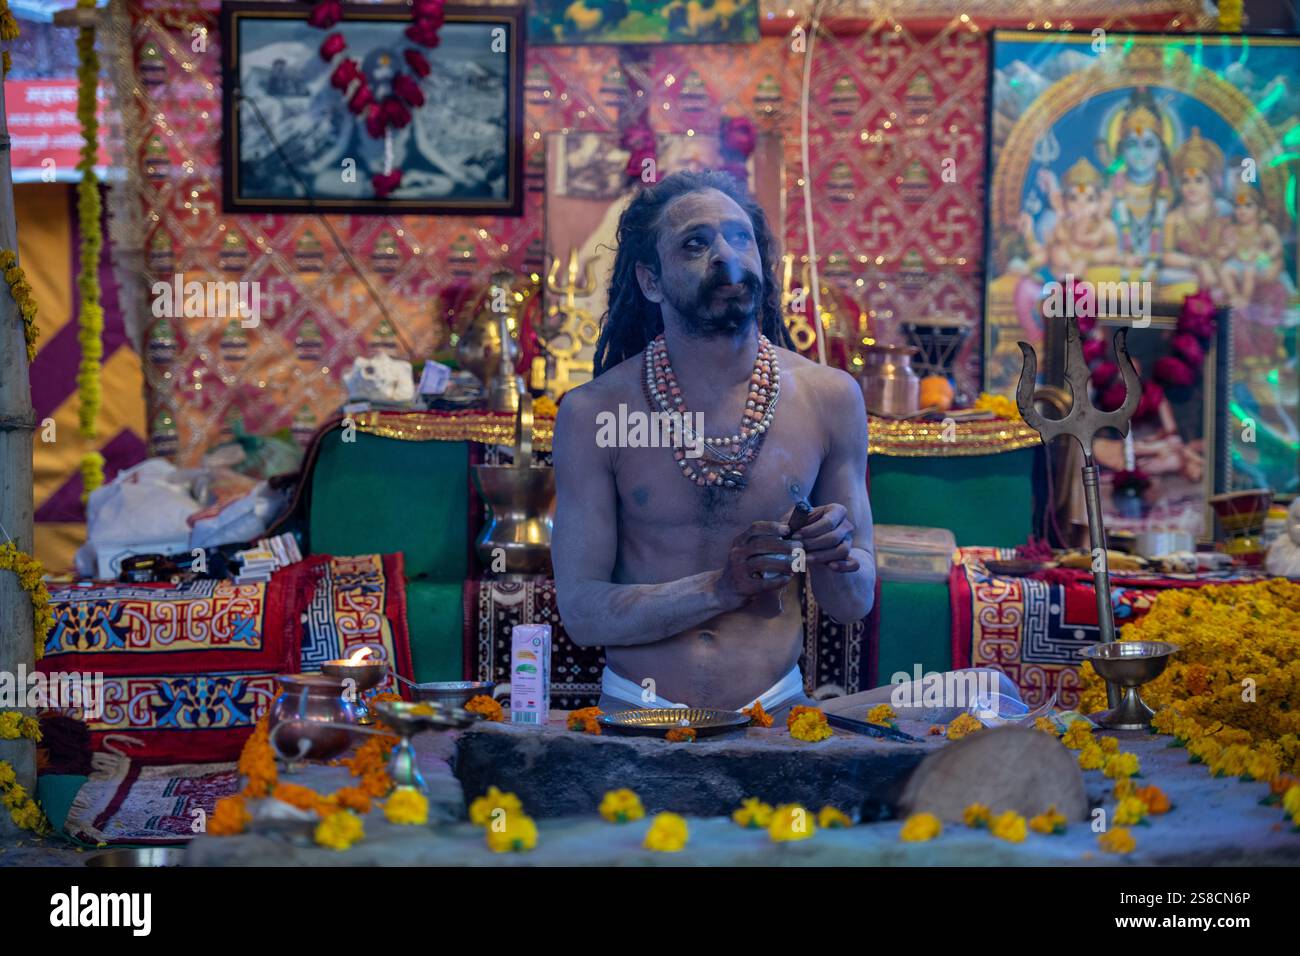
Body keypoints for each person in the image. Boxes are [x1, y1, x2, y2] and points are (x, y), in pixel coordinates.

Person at [550, 169, 1018, 722]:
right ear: (651, 280)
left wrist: (837, 556)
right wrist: (721, 588)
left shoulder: (828, 396)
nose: (727, 255)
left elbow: (853, 605)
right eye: (696, 243)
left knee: (990, 695)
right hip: (641, 715)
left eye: (740, 236)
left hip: (776, 716)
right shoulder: (593, 412)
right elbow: (583, 614)